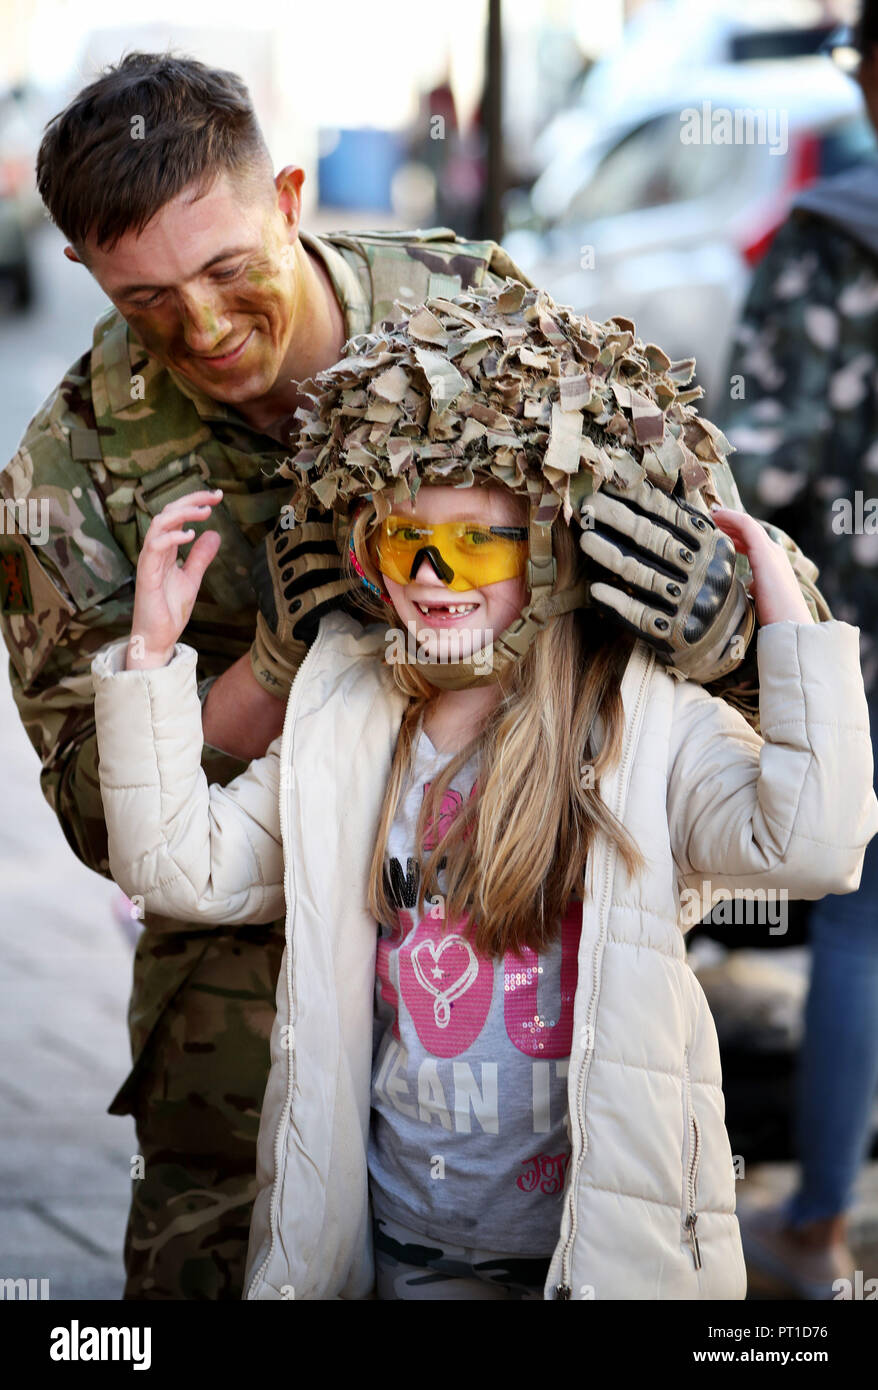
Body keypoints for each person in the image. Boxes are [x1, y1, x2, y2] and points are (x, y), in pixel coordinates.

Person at [0, 50, 831, 1301]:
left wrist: (726, 631)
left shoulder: (469, 312)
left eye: (229, 271)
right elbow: (104, 817)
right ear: (80, 268)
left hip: (533, 948)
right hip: (245, 987)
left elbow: (734, 600)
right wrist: (270, 668)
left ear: (289, 197)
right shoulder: (68, 469)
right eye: (148, 299)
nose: (205, 328)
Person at [88, 283, 878, 1300]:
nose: (430, 573)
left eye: (475, 542)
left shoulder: (644, 723)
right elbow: (177, 869)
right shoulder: (344, 718)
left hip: (590, 1259)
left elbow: (814, 846)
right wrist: (151, 661)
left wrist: (785, 631)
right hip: (404, 1250)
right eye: (401, 539)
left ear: (555, 547)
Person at [716, 1, 878, 1299]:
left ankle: (817, 1221)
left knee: (859, 928)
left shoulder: (831, 236)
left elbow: (762, 462)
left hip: (857, 642)